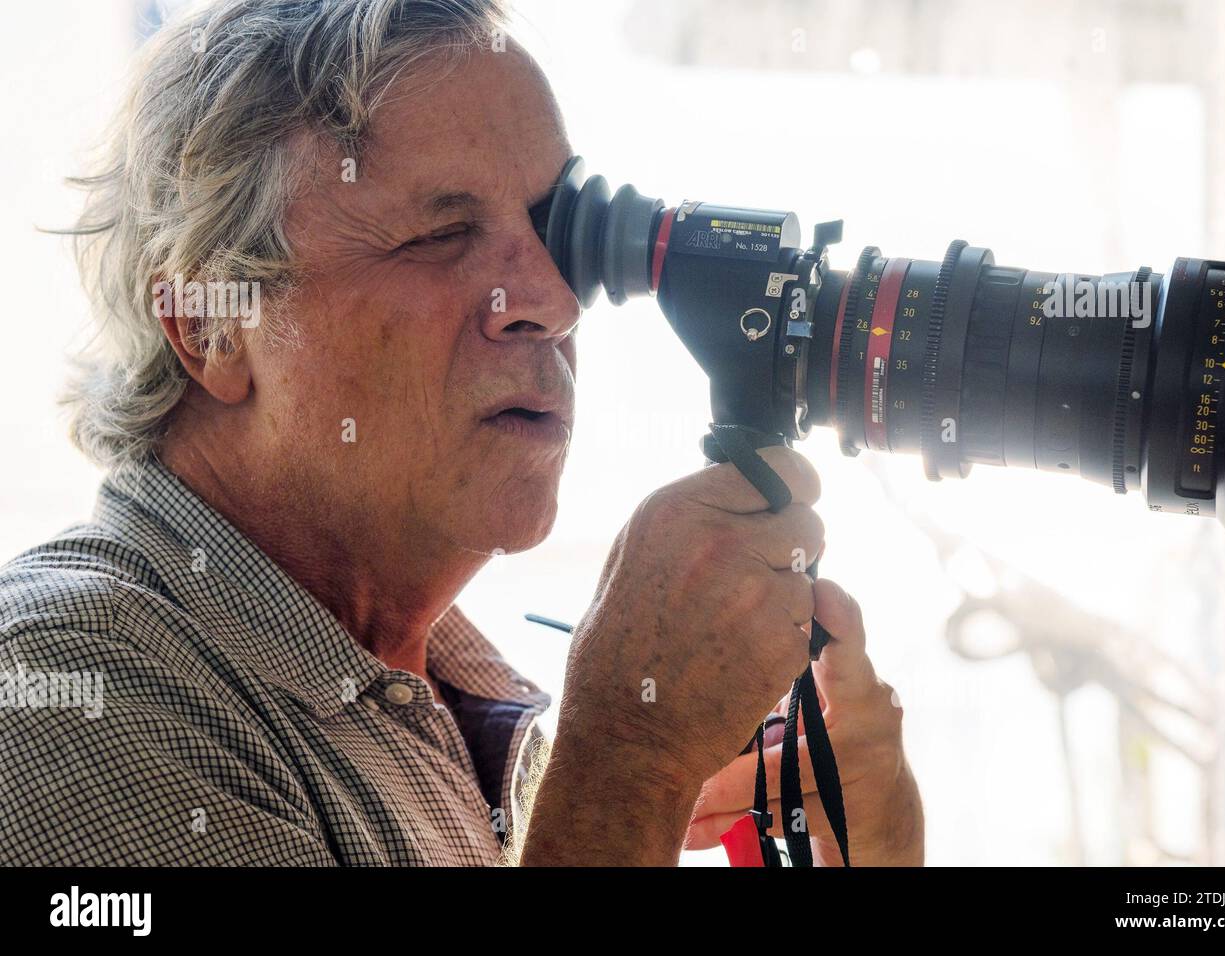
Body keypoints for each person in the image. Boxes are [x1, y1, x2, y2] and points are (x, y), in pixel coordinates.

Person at [0, 0, 921, 866]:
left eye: (561, 232)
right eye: (440, 238)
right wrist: (629, 763)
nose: (552, 302)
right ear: (208, 325)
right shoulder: (67, 690)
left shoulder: (456, 710)